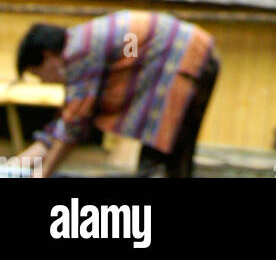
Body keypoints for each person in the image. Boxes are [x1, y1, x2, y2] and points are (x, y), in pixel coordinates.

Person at [13, 10, 219, 178]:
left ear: (47, 57)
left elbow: (72, 127)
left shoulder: (79, 52)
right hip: (188, 56)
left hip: (184, 59)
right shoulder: (82, 45)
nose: (43, 81)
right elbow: (62, 126)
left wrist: (42, 174)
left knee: (161, 164)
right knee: (171, 163)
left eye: (37, 74)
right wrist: (14, 168)